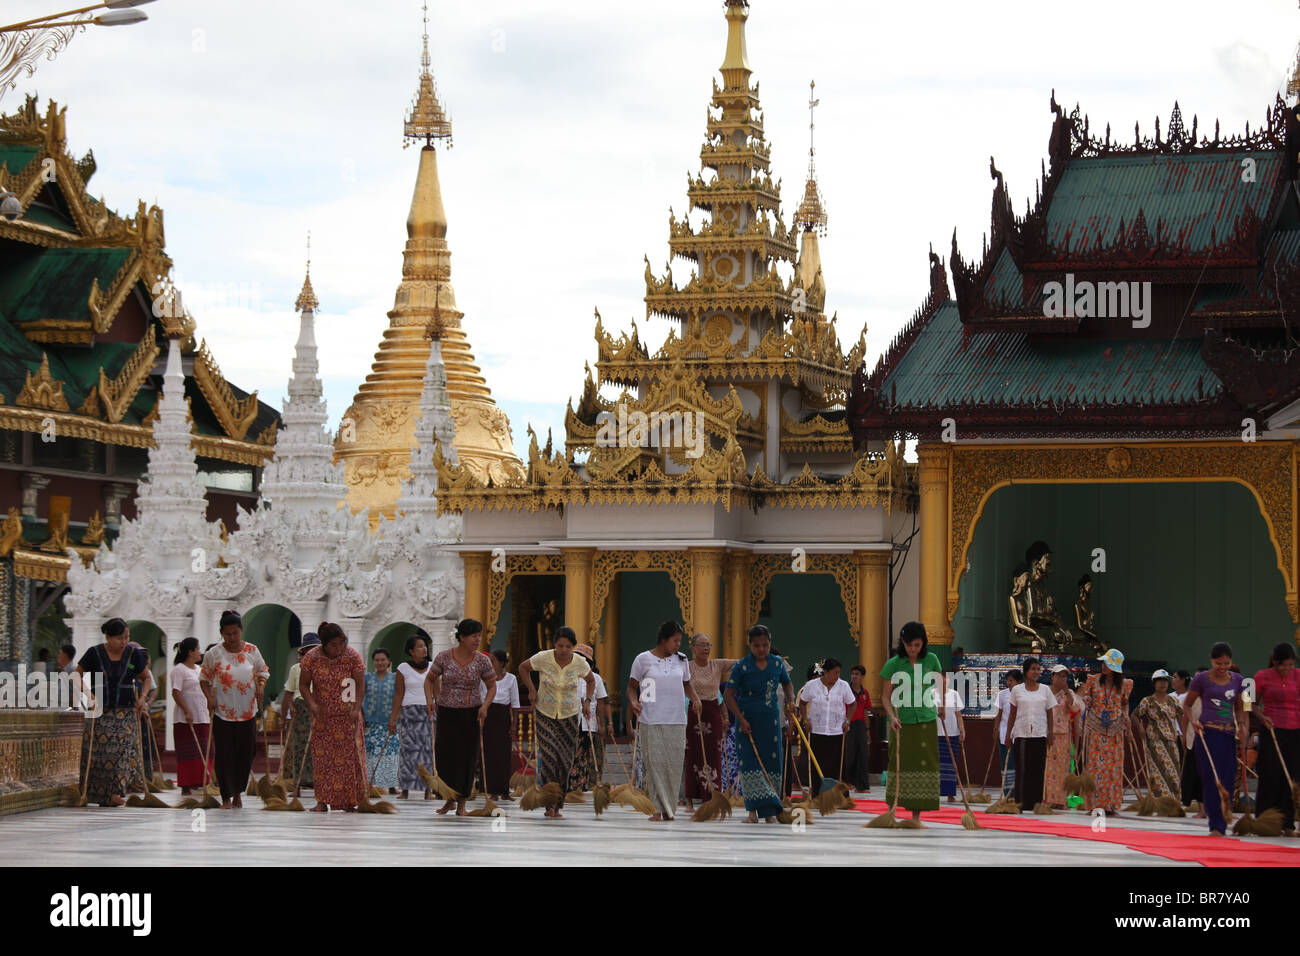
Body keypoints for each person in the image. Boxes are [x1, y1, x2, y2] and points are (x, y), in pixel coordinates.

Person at [628, 620, 701, 821]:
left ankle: (669, 810)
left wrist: (695, 698)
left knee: (674, 766)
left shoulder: (682, 660)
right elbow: (631, 687)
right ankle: (657, 809)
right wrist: (634, 702)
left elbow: (687, 685)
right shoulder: (643, 659)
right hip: (651, 719)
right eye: (675, 641)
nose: (678, 645)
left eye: (680, 641)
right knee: (655, 765)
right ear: (663, 639)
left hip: (677, 719)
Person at [518, 626, 593, 818]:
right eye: (560, 646)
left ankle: (559, 803)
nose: (563, 650)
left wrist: (587, 701)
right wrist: (532, 689)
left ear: (573, 646)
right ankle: (549, 805)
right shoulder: (543, 657)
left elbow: (591, 681)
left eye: (568, 646)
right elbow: (523, 668)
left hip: (569, 715)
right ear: (554, 645)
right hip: (546, 713)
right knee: (550, 758)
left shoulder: (579, 662)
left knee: (565, 761)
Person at [74, 618, 148, 807]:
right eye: (119, 638)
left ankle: (116, 792)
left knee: (121, 754)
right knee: (98, 754)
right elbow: (76, 675)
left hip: (126, 713)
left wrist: (142, 698)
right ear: (108, 637)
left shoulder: (133, 654)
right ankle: (94, 793)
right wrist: (89, 694)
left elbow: (145, 677)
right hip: (100, 711)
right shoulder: (95, 653)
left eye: (126, 637)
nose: (123, 642)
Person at [199, 610, 269, 809]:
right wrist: (209, 697)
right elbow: (204, 679)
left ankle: (238, 792)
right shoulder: (214, 654)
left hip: (247, 711)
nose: (231, 638)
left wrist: (261, 686)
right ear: (221, 633)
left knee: (246, 754)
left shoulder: (252, 650)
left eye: (235, 633)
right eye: (227, 634)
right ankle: (226, 797)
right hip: (223, 712)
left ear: (241, 631)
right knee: (224, 754)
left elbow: (263, 671)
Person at [725, 625, 794, 823]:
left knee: (771, 763)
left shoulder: (778, 664)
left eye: (765, 645)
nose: (762, 649)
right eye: (757, 646)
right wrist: (740, 718)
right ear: (750, 645)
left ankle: (770, 812)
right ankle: (752, 813)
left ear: (770, 643)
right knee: (750, 765)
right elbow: (729, 695)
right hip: (747, 721)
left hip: (771, 721)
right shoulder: (742, 666)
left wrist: (791, 701)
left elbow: (787, 684)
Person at [430, 618, 497, 815]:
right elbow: (430, 679)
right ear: (462, 637)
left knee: (467, 756)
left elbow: (492, 686)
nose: (478, 639)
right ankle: (447, 799)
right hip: (447, 711)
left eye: (479, 635)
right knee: (445, 756)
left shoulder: (482, 660)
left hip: (471, 712)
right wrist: (431, 700)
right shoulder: (444, 657)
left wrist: (485, 706)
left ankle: (462, 803)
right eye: (473, 636)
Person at [879, 621, 943, 821]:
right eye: (909, 645)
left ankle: (916, 814)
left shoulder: (931, 660)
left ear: (923, 643)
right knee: (898, 763)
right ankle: (892, 809)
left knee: (924, 765)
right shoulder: (894, 664)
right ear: (902, 643)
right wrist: (892, 717)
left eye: (917, 644)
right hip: (902, 721)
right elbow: (885, 697)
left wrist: (941, 706)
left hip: (926, 719)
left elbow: (940, 682)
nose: (913, 649)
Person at [299, 622, 366, 812]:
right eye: (334, 645)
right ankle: (322, 801)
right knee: (324, 760)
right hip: (323, 717)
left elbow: (360, 685)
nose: (339, 648)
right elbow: (304, 685)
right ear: (324, 644)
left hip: (348, 717)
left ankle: (350, 801)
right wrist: (312, 704)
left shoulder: (352, 656)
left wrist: (356, 708)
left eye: (342, 643)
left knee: (348, 760)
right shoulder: (312, 658)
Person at [1184, 643, 1247, 835]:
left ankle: (1222, 818)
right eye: (1219, 663)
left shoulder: (1239, 680)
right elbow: (1187, 705)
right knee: (1211, 780)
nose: (1223, 667)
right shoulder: (1201, 680)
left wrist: (1243, 725)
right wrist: (1193, 721)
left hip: (1228, 736)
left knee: (1227, 780)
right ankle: (1216, 825)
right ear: (1212, 661)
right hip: (1207, 736)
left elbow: (1241, 707)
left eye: (1226, 663)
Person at [684, 632, 737, 809]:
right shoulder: (686, 666)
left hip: (713, 713)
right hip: (694, 713)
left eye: (708, 645)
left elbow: (740, 663)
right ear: (693, 647)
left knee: (714, 755)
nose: (706, 648)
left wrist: (765, 658)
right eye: (702, 644)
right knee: (693, 755)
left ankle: (712, 797)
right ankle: (690, 799)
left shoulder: (717, 665)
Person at [1079, 649, 1133, 816]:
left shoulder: (1125, 684)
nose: (1103, 666)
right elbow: (1086, 697)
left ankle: (1110, 805)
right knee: (1095, 767)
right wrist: (1087, 700)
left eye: (1107, 663)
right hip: (1096, 727)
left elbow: (1125, 704)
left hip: (1115, 728)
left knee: (1114, 767)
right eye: (1103, 663)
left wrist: (1126, 717)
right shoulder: (1093, 681)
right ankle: (1094, 804)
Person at [1253, 642, 1299, 830]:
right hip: (1271, 729)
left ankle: (1287, 822)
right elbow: (1251, 704)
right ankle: (1265, 819)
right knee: (1271, 773)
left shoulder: (1298, 675)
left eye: (1290, 665)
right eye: (1283, 665)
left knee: (1293, 775)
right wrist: (1262, 717)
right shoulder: (1261, 676)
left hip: (1295, 731)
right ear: (1274, 661)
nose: (1287, 669)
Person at [797, 657, 856, 795]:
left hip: (837, 731)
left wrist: (848, 720)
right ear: (826, 672)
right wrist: (805, 720)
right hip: (817, 730)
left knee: (837, 765)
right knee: (817, 764)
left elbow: (852, 704)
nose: (838, 676)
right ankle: (817, 795)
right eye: (835, 672)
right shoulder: (812, 685)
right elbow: (802, 703)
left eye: (839, 673)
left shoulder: (843, 685)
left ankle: (838, 795)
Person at [1005, 657, 1056, 812]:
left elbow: (1050, 713)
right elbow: (1012, 713)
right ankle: (1020, 803)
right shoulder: (1017, 690)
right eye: (1033, 669)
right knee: (1022, 769)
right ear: (1026, 671)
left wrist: (1051, 733)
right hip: (1022, 734)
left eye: (1038, 669)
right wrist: (1008, 734)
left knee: (1038, 770)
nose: (1036, 672)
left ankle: (1035, 803)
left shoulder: (1045, 690)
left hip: (1040, 734)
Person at [389, 632, 434, 801]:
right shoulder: (402, 668)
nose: (424, 649)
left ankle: (428, 790)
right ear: (411, 651)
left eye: (425, 646)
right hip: (409, 712)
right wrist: (393, 718)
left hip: (427, 711)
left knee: (427, 752)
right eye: (420, 646)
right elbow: (399, 694)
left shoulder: (432, 666)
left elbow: (437, 691)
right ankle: (406, 789)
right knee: (408, 751)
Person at [170, 637, 211, 794]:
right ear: (190, 651)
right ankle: (186, 784)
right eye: (197, 649)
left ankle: (201, 781)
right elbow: (176, 692)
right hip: (185, 718)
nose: (200, 652)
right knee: (187, 750)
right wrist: (187, 710)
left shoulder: (199, 670)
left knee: (205, 749)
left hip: (203, 715)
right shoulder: (179, 670)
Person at [567, 644, 609, 793]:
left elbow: (601, 703)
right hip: (571, 720)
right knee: (571, 752)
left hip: (588, 722)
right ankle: (570, 784)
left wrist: (602, 725)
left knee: (586, 754)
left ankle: (583, 784)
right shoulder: (569, 675)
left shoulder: (596, 678)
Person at [1135, 669, 1182, 800]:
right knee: (1157, 772)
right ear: (1154, 683)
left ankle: (1173, 800)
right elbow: (1135, 715)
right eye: (1159, 681)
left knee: (1173, 772)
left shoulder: (1174, 701)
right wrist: (1140, 728)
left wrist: (1183, 736)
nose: (1163, 684)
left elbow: (1180, 717)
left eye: (1165, 681)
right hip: (1155, 742)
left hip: (1171, 741)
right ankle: (1159, 800)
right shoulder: (1147, 701)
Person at [481, 649, 521, 800]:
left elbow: (515, 704)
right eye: (489, 661)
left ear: (502, 663)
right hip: (488, 715)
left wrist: (514, 724)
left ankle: (504, 790)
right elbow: (480, 698)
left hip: (503, 717)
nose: (490, 664)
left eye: (493, 661)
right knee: (489, 754)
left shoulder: (511, 679)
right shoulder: (484, 679)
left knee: (504, 754)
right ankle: (492, 791)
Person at [280, 633, 318, 789]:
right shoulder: (296, 668)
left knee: (317, 746)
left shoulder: (323, 668)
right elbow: (289, 692)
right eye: (308, 650)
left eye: (315, 649)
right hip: (301, 708)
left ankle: (316, 780)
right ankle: (299, 781)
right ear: (303, 651)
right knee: (299, 746)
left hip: (318, 707)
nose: (312, 653)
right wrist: (290, 707)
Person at [1044, 664, 1082, 807]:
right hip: (1047, 733)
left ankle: (1060, 800)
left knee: (1062, 768)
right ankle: (1047, 799)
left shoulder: (1069, 693)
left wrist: (1066, 691)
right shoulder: (1045, 691)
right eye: (1059, 675)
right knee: (1048, 769)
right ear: (1052, 677)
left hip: (1063, 735)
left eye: (1064, 676)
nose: (1061, 678)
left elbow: (1075, 708)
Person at [364, 649, 399, 793]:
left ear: (388, 662)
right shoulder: (366, 678)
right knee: (370, 754)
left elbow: (399, 698)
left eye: (383, 660)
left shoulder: (395, 678)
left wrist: (395, 718)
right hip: (370, 722)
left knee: (390, 753)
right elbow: (361, 697)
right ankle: (370, 784)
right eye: (377, 660)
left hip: (388, 722)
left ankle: (391, 786)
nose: (380, 663)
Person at [935, 671, 966, 803]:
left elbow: (958, 714)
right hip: (936, 733)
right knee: (936, 764)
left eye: (945, 679)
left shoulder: (954, 694)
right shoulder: (931, 694)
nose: (943, 681)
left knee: (951, 764)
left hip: (952, 732)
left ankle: (950, 794)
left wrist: (962, 730)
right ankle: (934, 792)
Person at [993, 670, 1022, 797]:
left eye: (1012, 681)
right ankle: (1008, 794)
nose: (1009, 683)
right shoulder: (1002, 694)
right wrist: (996, 729)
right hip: (1004, 733)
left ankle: (1019, 792)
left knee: (1018, 764)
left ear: (1019, 682)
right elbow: (999, 714)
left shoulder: (1023, 694)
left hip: (1020, 734)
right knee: (1006, 764)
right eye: (1008, 680)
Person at [844, 664, 873, 791]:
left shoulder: (865, 692)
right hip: (848, 724)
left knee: (862, 754)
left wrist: (867, 730)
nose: (854, 677)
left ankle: (861, 785)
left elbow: (866, 712)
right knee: (849, 755)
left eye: (857, 674)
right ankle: (846, 782)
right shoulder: (846, 690)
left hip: (861, 725)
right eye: (853, 674)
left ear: (862, 677)